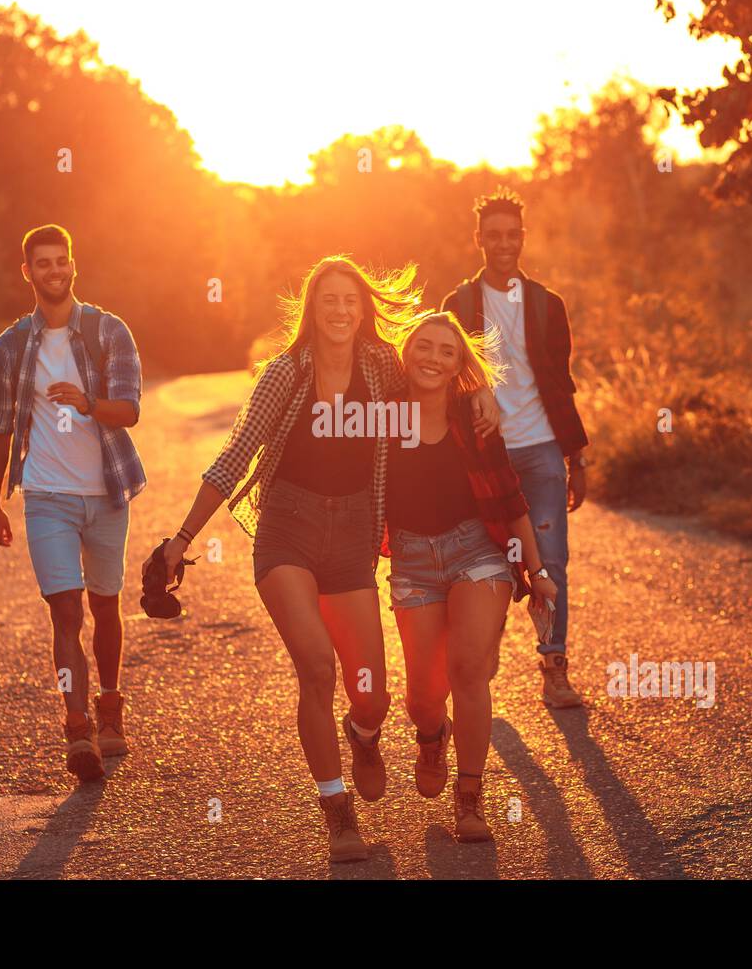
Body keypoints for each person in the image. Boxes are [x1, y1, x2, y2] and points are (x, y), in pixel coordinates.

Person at [161, 256, 500, 862]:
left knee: (371, 693)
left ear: (364, 310)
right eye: (329, 301)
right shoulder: (284, 374)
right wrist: (182, 538)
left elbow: (437, 361)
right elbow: (237, 454)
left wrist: (485, 392)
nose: (341, 311)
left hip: (351, 539)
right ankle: (337, 814)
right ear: (311, 311)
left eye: (351, 301)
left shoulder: (379, 367)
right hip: (287, 530)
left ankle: (364, 734)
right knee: (317, 668)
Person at [383, 312, 557, 842]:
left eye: (447, 352)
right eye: (424, 347)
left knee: (468, 670)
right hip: (412, 560)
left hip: (476, 550)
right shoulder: (379, 417)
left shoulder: (472, 420)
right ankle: (432, 734)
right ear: (405, 352)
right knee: (421, 694)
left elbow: (509, 496)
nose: (433, 358)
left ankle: (470, 797)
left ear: (461, 364)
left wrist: (538, 568)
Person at [0, 223, 145, 782]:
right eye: (43, 264)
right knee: (65, 612)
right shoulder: (8, 348)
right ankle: (77, 728)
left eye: (62, 261)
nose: (55, 271)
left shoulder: (108, 330)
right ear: (26, 272)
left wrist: (87, 401)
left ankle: (109, 705)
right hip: (46, 495)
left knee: (105, 607)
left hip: (106, 492)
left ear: (73, 265)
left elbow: (129, 410)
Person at [441, 187, 590, 709]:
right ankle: (482, 656)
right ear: (479, 239)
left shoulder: (549, 306)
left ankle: (554, 667)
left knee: (549, 562)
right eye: (494, 235)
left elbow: (561, 383)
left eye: (513, 235)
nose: (504, 244)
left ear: (522, 238)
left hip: (542, 450)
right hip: (484, 459)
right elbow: (445, 385)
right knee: (488, 562)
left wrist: (576, 455)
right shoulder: (457, 306)